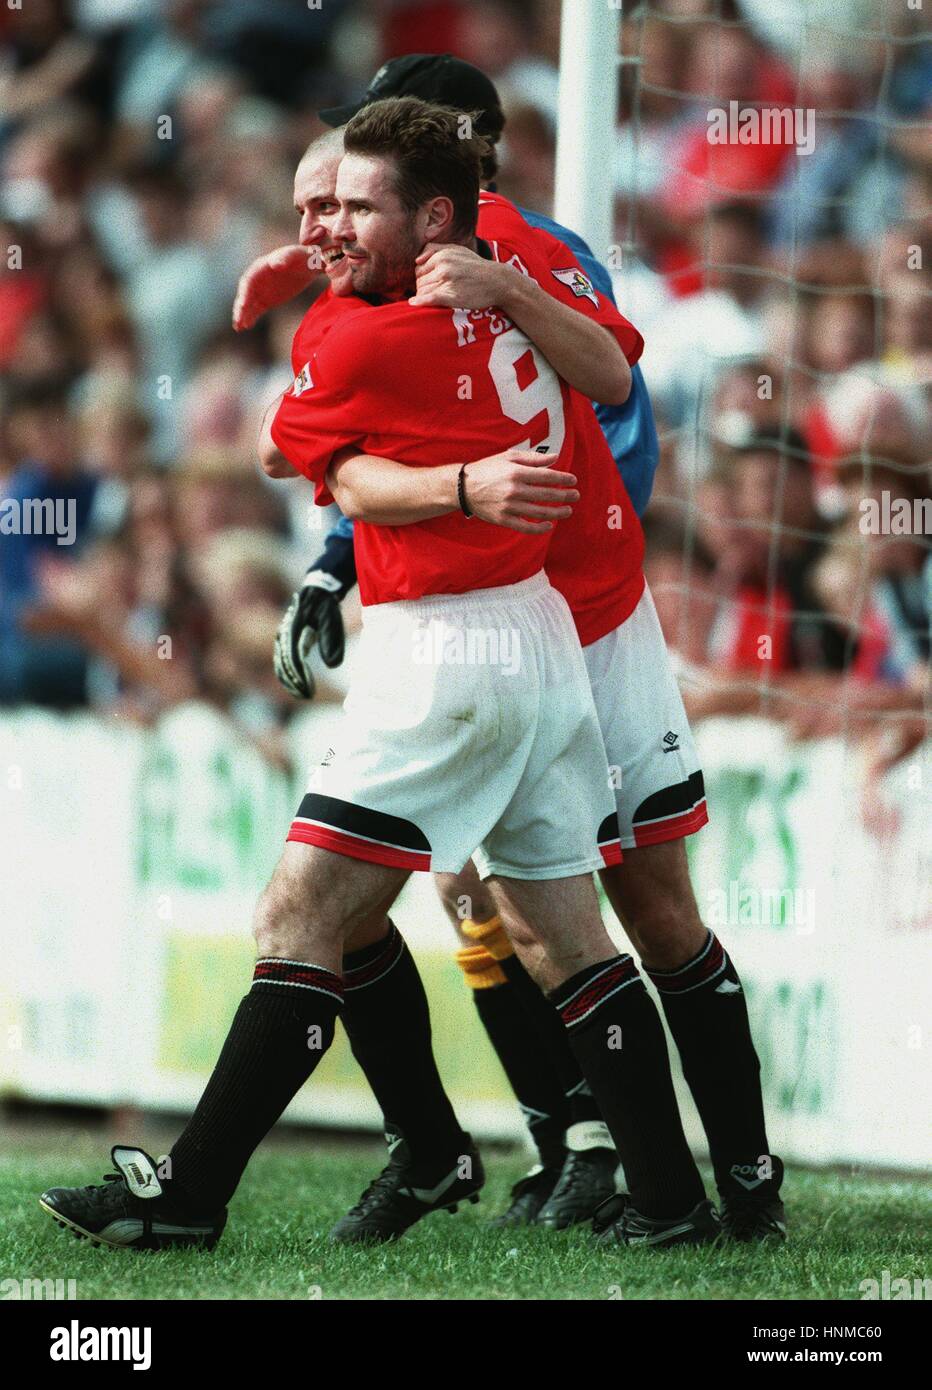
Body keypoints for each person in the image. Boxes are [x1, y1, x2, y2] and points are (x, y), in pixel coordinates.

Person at [38, 97, 718, 1252]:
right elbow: (606, 371)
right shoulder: (513, 281)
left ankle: (190, 1194)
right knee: (563, 936)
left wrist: (426, 475)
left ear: (433, 214)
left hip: (442, 654)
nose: (330, 229)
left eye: (355, 208)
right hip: (541, 635)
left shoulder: (351, 339)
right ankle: (666, 1196)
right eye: (322, 207)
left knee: (299, 911)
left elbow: (291, 459)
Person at [241, 58, 785, 1242]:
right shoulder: (390, 271)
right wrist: (336, 559)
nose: (347, 193)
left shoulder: (536, 252)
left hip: (584, 612)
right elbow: (352, 429)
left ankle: (737, 1180)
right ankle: (567, 1144)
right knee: (473, 895)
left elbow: (609, 383)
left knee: (644, 904)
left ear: (464, 151)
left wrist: (499, 292)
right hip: (493, 623)